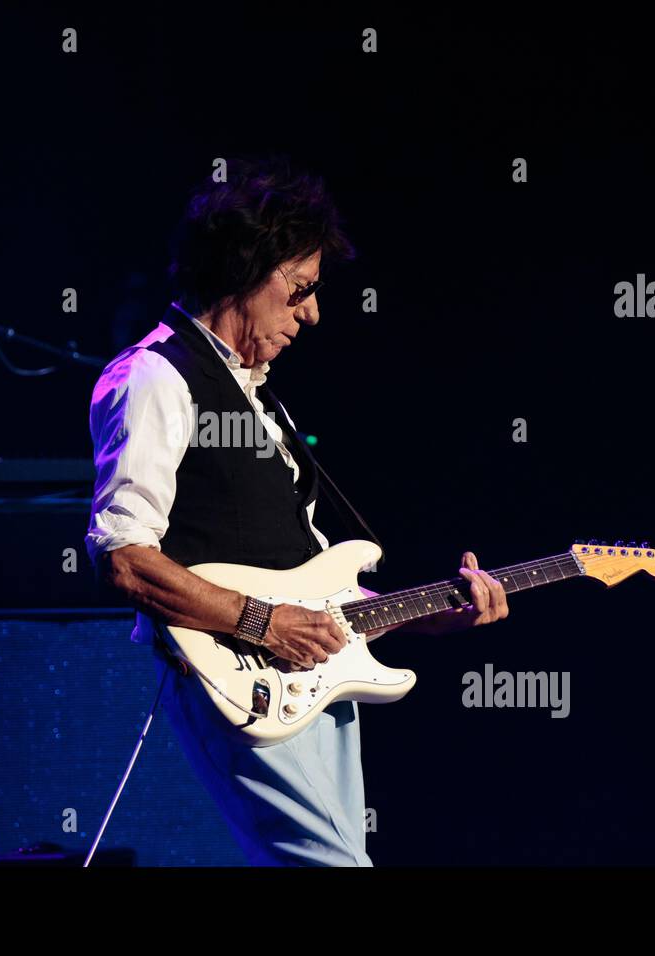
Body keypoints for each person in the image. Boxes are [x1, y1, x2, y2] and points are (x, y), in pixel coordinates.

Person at [86, 158, 510, 866]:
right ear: (245, 267)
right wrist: (263, 622)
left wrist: (430, 614)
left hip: (310, 678)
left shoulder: (258, 397)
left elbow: (314, 592)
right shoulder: (155, 376)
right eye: (301, 288)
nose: (311, 313)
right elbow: (124, 559)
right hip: (240, 677)